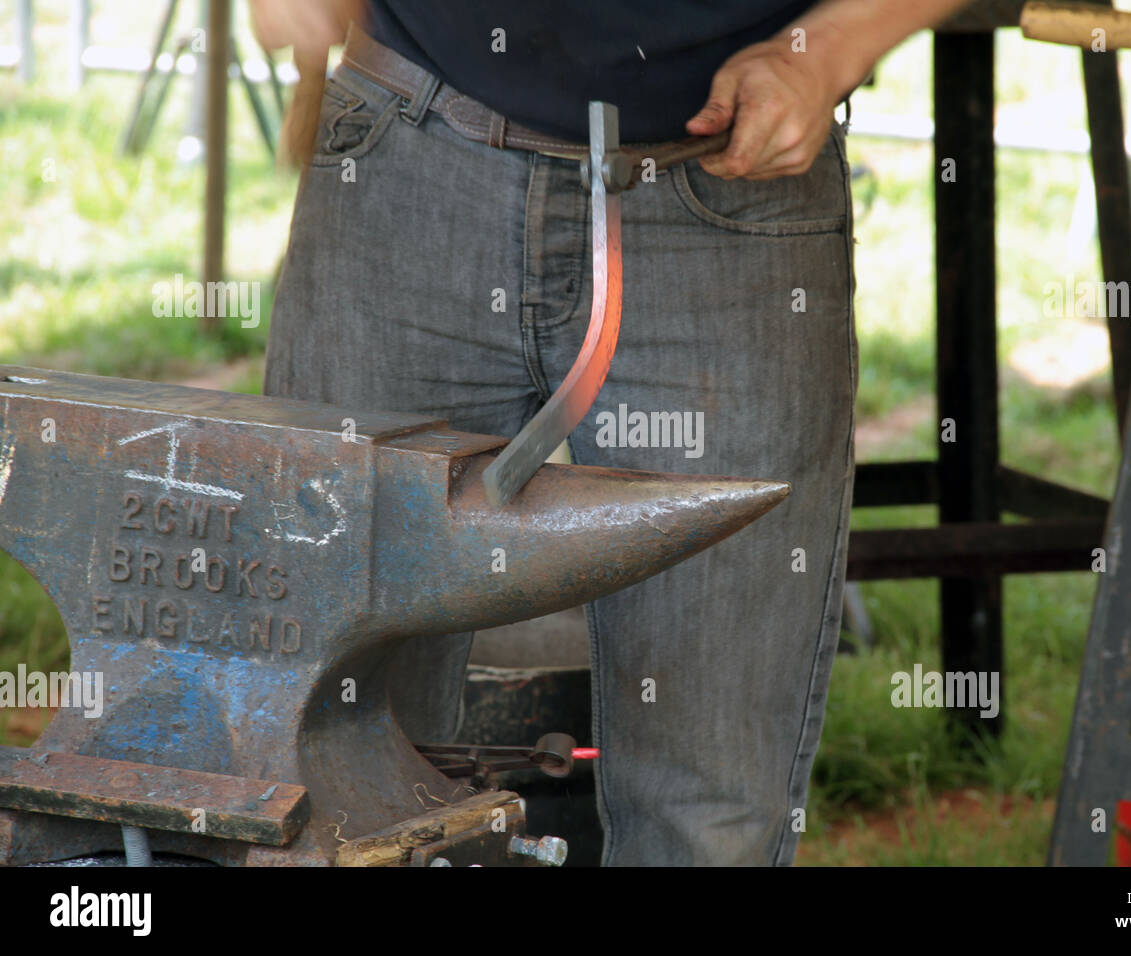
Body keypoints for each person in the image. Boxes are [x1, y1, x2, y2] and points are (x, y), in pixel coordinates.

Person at [253, 0, 972, 866]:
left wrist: (824, 53)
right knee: (323, 768)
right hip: (409, 154)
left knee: (708, 812)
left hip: (728, 191)